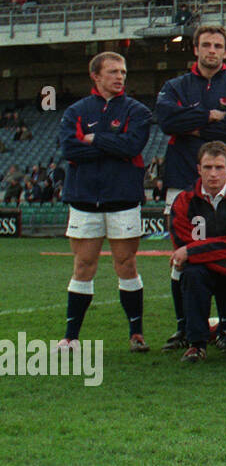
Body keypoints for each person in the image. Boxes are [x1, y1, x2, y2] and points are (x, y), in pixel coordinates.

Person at [154, 24, 226, 351]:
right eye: (205, 45)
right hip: (183, 178)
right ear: (195, 50)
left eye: (217, 46)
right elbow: (167, 121)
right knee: (183, 254)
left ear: (225, 52)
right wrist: (210, 116)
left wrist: (193, 126)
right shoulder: (175, 85)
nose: (211, 50)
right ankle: (185, 327)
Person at [57, 52, 153, 352]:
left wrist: (93, 139)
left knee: (126, 264)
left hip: (123, 198)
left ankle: (136, 333)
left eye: (123, 71)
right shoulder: (75, 111)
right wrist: (113, 146)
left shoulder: (137, 110)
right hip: (84, 199)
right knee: (83, 265)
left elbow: (133, 145)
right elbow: (70, 151)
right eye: (113, 72)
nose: (120, 77)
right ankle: (71, 337)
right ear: (96, 76)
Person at [168, 141, 226, 362]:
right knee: (191, 274)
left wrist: (192, 251)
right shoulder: (183, 200)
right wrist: (225, 262)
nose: (213, 174)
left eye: (219, 167)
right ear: (198, 169)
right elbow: (181, 244)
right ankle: (196, 343)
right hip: (212, 268)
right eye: (208, 167)